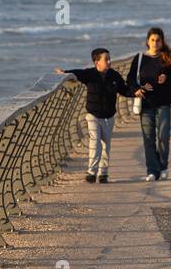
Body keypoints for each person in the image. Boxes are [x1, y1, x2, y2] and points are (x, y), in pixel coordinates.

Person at [55, 47, 139, 184]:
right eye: (106, 59)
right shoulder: (90, 74)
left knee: (106, 146)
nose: (109, 61)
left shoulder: (114, 75)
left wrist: (136, 93)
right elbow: (76, 74)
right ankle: (91, 172)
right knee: (95, 143)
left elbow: (124, 90)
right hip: (92, 115)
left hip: (109, 116)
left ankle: (103, 174)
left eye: (109, 58)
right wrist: (64, 73)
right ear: (96, 62)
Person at [128, 28, 171, 182]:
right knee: (148, 138)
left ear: (162, 42)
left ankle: (163, 167)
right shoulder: (139, 58)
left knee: (163, 136)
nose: (155, 43)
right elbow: (130, 79)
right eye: (152, 40)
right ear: (147, 41)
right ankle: (152, 170)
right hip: (146, 103)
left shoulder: (167, 58)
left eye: (158, 40)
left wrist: (167, 78)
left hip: (163, 102)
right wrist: (136, 90)